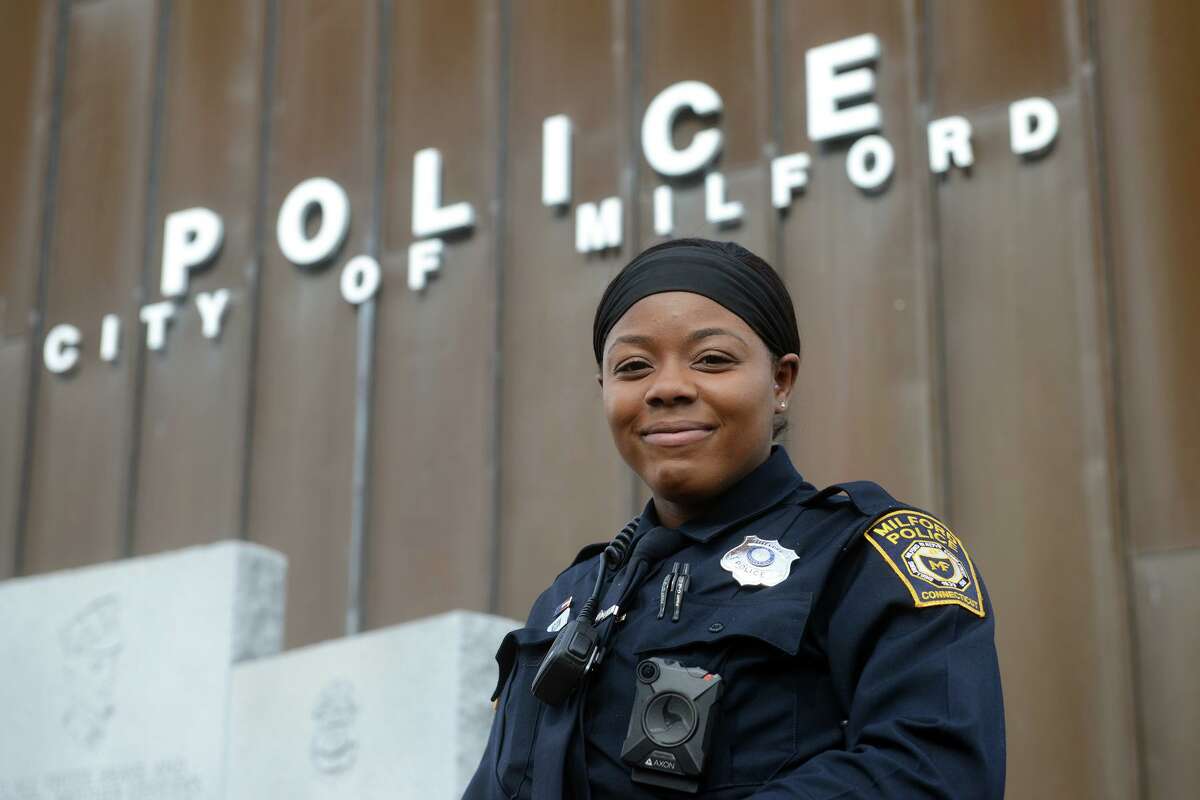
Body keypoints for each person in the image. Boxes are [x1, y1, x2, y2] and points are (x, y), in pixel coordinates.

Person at [464, 238, 1005, 799]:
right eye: (632, 367)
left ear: (780, 381)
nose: (668, 387)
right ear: (605, 391)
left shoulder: (866, 559)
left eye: (712, 360)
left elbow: (933, 773)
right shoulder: (568, 601)